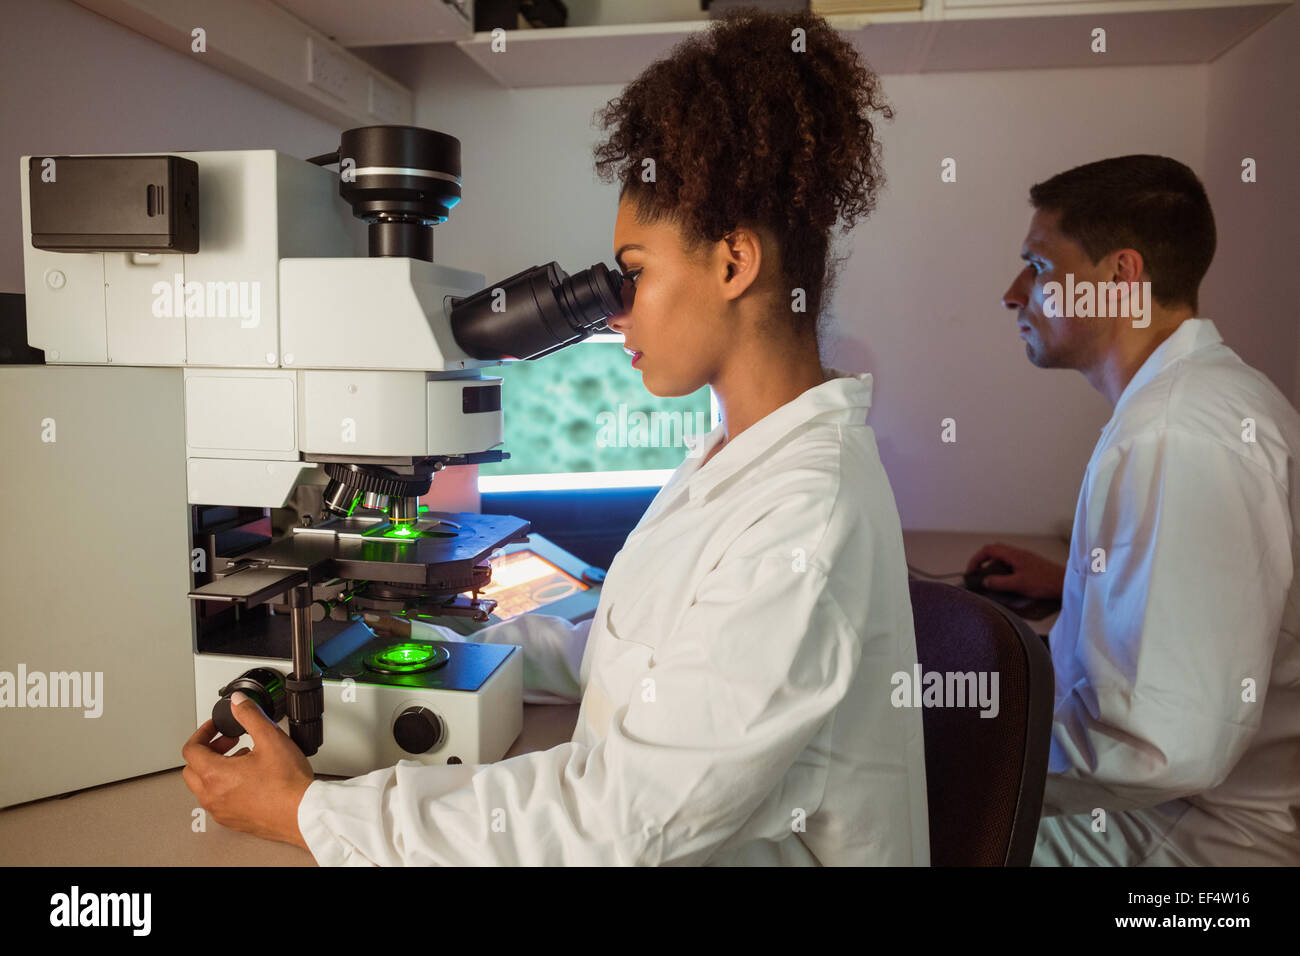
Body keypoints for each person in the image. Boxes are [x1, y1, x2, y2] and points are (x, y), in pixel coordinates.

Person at [182, 9, 929, 866]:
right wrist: (455, 643)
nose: (614, 307)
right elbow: (641, 660)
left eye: (636, 272)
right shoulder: (741, 454)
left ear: (733, 262)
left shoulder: (807, 511)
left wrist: (313, 817)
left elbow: (623, 819)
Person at [969, 155, 1300, 865]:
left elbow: (1161, 748)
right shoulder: (1202, 400)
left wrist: (971, 750)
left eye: (1039, 265)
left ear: (1120, 278)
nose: (1012, 292)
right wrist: (1076, 582)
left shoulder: (1177, 435)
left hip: (1184, 844)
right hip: (1172, 812)